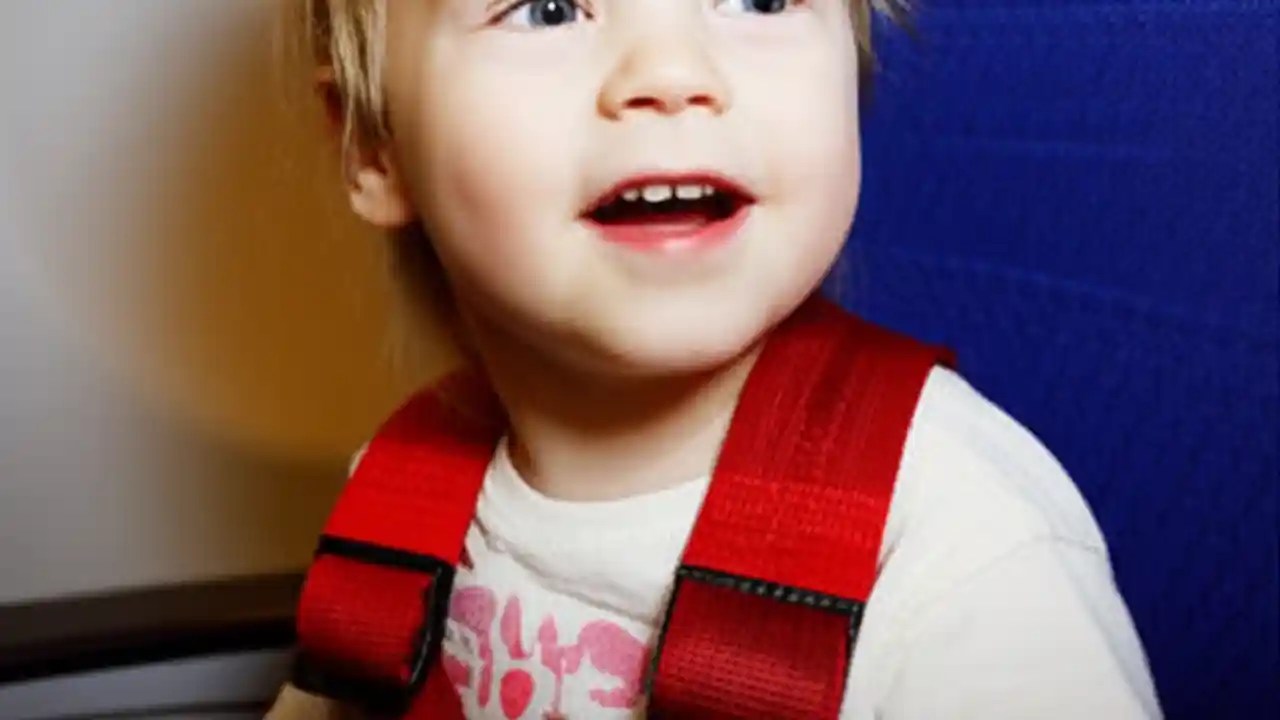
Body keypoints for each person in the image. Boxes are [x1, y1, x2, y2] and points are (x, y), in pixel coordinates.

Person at [269, 1, 1161, 717]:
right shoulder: (395, 501)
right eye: (546, 10)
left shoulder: (965, 555)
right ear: (374, 150)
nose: (671, 74)